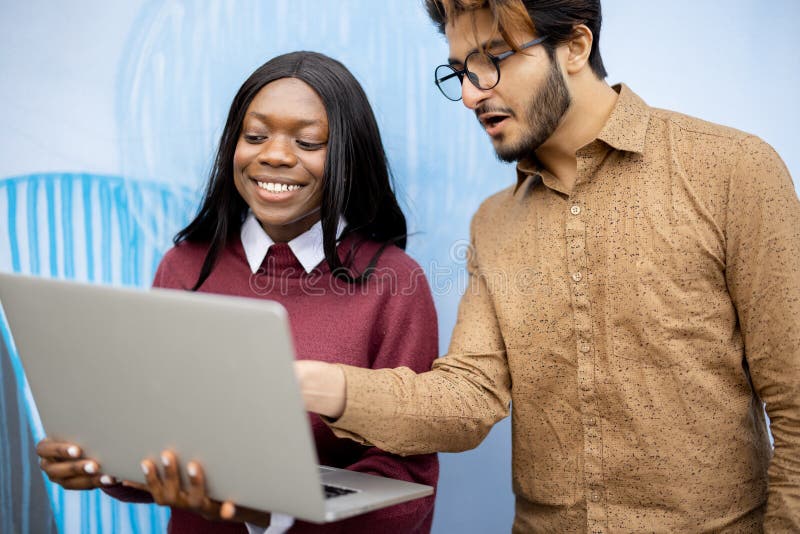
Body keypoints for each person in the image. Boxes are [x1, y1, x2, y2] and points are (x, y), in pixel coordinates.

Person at [294, 1, 800, 532]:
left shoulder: (733, 172)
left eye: (492, 60)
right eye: (461, 71)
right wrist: (313, 384)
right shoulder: (493, 223)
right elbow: (467, 397)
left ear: (576, 47)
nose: (470, 95)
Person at [34, 51, 439, 533]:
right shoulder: (184, 268)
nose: (275, 154)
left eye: (308, 141)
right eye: (255, 136)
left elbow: (407, 487)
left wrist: (271, 515)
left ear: (349, 159)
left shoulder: (395, 284)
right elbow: (157, 433)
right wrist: (99, 463)